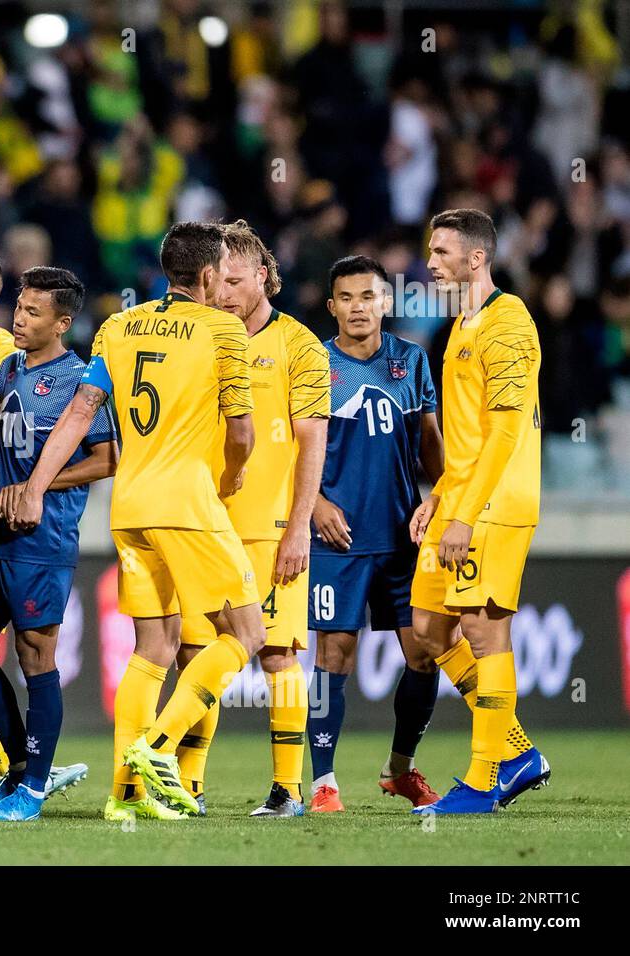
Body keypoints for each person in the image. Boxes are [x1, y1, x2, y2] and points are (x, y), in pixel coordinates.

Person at [10, 221, 268, 820]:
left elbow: (79, 413)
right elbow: (242, 432)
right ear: (207, 275)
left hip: (129, 506)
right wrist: (231, 478)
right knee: (247, 632)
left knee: (153, 647)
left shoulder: (118, 327)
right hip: (187, 503)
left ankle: (124, 796)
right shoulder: (224, 331)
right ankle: (157, 747)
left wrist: (36, 485)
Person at [0, 266, 116, 822]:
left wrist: (34, 487)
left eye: (32, 313)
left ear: (62, 322)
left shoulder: (81, 381)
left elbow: (105, 459)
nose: (18, 320)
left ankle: (35, 788)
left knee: (34, 656)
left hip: (44, 540)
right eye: (18, 309)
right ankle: (22, 768)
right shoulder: (10, 368)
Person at [178, 220, 330, 818]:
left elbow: (312, 443)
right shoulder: (203, 336)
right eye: (218, 281)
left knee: (277, 655)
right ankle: (187, 786)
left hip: (269, 528)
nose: (224, 292)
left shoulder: (299, 345)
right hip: (201, 521)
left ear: (263, 276)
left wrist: (299, 528)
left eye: (236, 281)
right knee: (196, 651)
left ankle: (287, 789)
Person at [410, 208, 550, 815]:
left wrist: (466, 514)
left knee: (483, 630)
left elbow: (505, 431)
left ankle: (481, 781)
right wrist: (439, 496)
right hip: (460, 497)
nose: (430, 263)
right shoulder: (462, 326)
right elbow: (466, 435)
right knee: (428, 627)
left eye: (441, 252)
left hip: (494, 503)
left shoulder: (508, 320)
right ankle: (516, 751)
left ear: (476, 259)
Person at [306, 254, 446, 812]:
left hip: (401, 538)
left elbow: (431, 444)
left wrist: (440, 497)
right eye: (347, 298)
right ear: (332, 306)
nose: (358, 307)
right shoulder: (315, 364)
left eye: (369, 296)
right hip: (336, 539)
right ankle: (322, 784)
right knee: (332, 658)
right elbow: (291, 450)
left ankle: (400, 769)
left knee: (425, 655)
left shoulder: (411, 360)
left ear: (386, 302)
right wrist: (314, 503)